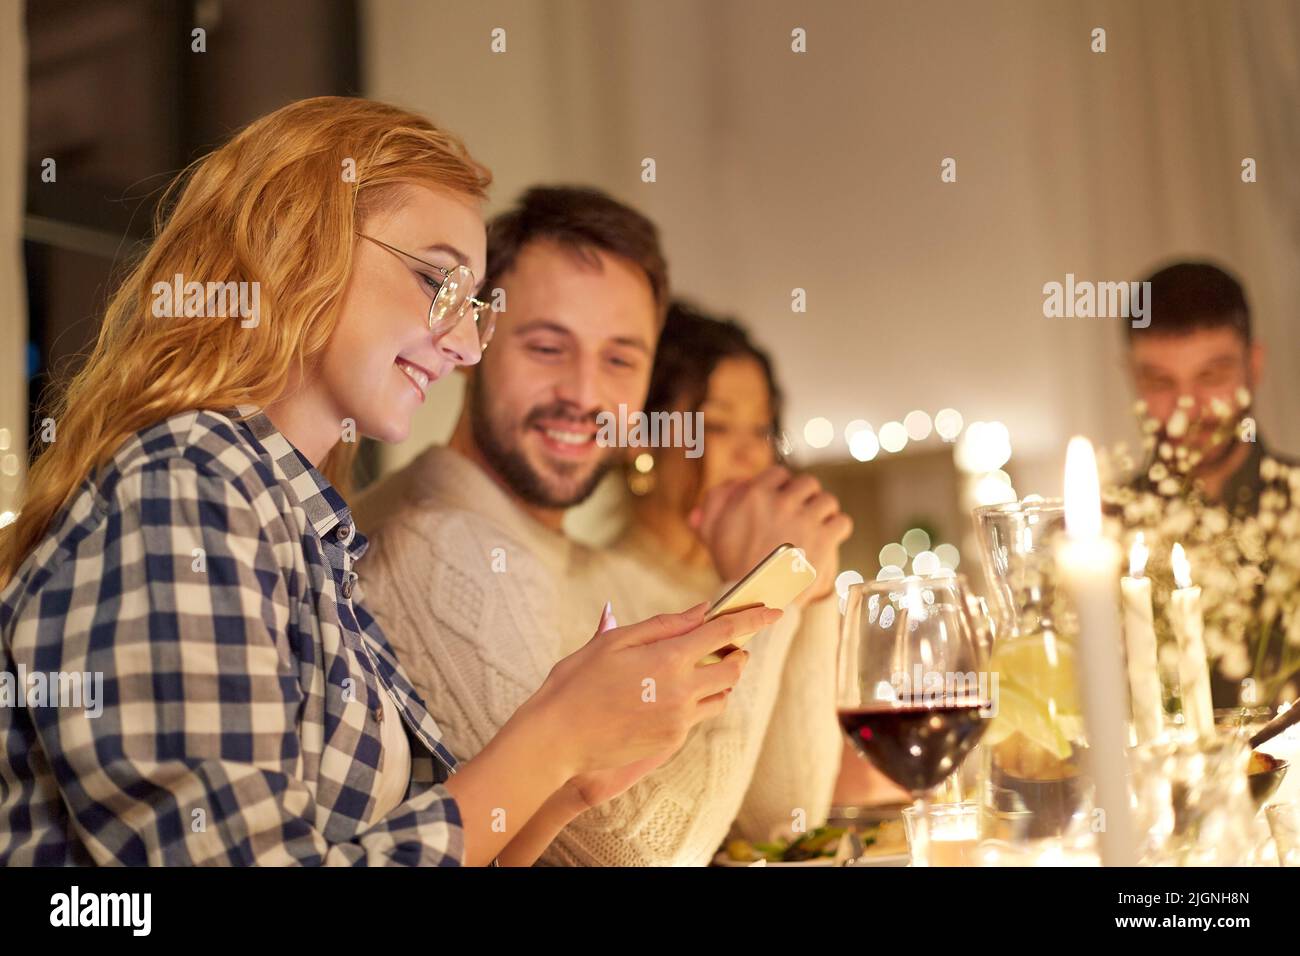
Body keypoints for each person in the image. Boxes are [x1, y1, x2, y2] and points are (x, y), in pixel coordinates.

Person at [0, 97, 765, 867]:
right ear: (298, 244)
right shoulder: (184, 490)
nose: (466, 344)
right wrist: (554, 735)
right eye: (439, 281)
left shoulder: (297, 525)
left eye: (473, 306)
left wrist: (572, 779)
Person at [355, 187, 853, 865]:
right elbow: (625, 858)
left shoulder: (585, 567)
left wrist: (805, 591)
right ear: (474, 338)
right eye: (547, 347)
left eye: (619, 360)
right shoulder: (432, 543)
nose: (585, 394)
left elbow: (779, 822)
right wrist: (767, 584)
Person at [617, 302, 907, 813]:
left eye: (761, 430)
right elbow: (765, 819)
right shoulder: (605, 601)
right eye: (717, 427)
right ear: (643, 440)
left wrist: (808, 594)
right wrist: (761, 590)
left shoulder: (769, 569)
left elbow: (796, 811)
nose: (751, 456)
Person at [1124, 260, 1297, 705]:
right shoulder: (1096, 540)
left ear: (1253, 366)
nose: (1187, 406)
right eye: (1161, 382)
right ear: (1132, 378)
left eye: (1211, 376)